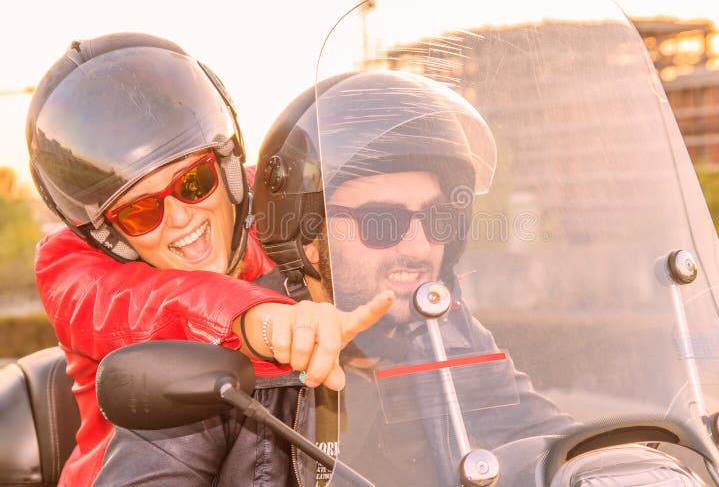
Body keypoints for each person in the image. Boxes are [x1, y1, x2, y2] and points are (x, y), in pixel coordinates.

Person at [26, 33, 392, 486]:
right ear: (110, 234)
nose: (180, 217)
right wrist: (260, 320)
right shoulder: (69, 266)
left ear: (227, 166)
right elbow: (147, 306)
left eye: (194, 181)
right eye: (139, 212)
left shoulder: (280, 209)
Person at [252, 70, 577, 486]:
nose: (420, 248)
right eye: (383, 222)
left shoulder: (447, 335)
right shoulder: (244, 352)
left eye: (438, 219)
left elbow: (548, 436)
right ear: (308, 236)